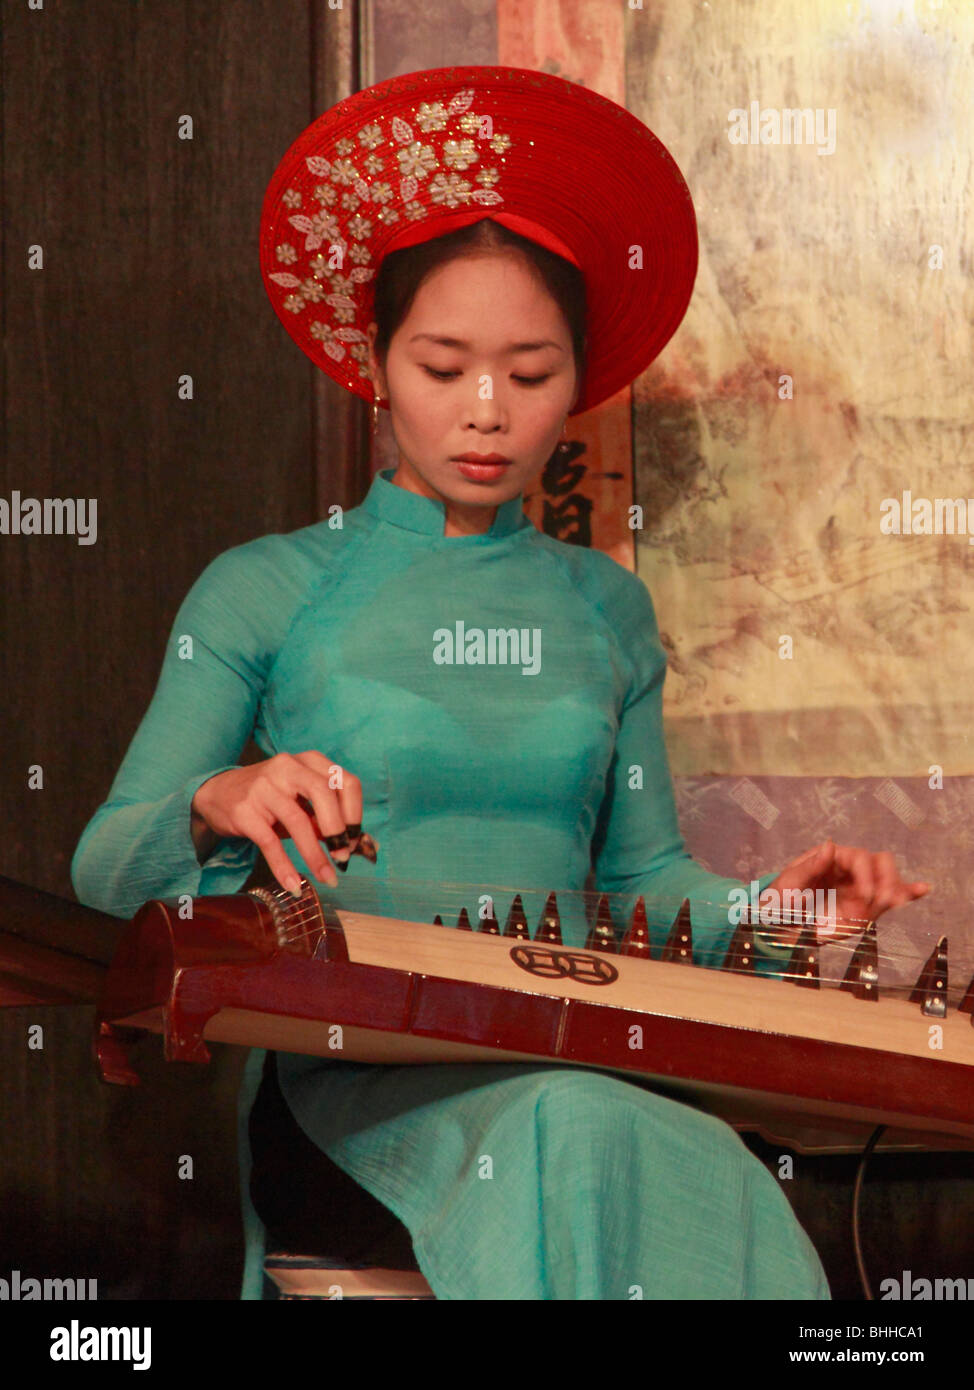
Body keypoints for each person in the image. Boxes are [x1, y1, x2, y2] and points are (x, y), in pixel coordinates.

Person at [71, 65, 929, 1300]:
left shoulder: (606, 611)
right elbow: (107, 865)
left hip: (565, 1055)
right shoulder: (265, 587)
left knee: (684, 1155)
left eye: (528, 375)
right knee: (575, 1134)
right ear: (373, 361)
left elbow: (644, 886)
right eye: (442, 366)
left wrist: (796, 918)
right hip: (352, 1083)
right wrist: (217, 796)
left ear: (575, 381)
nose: (486, 411)